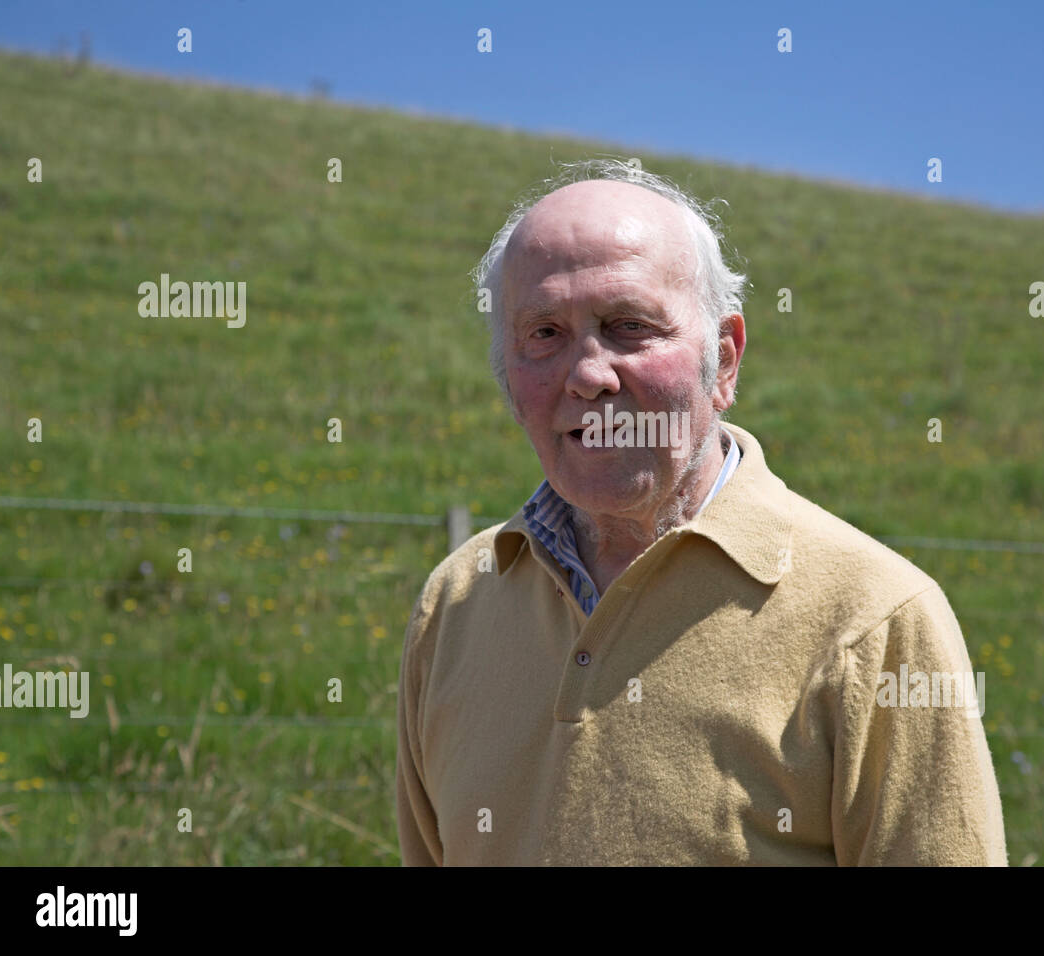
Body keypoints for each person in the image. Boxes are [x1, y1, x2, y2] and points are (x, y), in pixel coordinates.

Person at [396, 158, 1007, 865]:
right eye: (544, 333)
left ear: (724, 361)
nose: (589, 375)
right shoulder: (456, 603)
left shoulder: (876, 618)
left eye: (628, 325)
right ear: (507, 372)